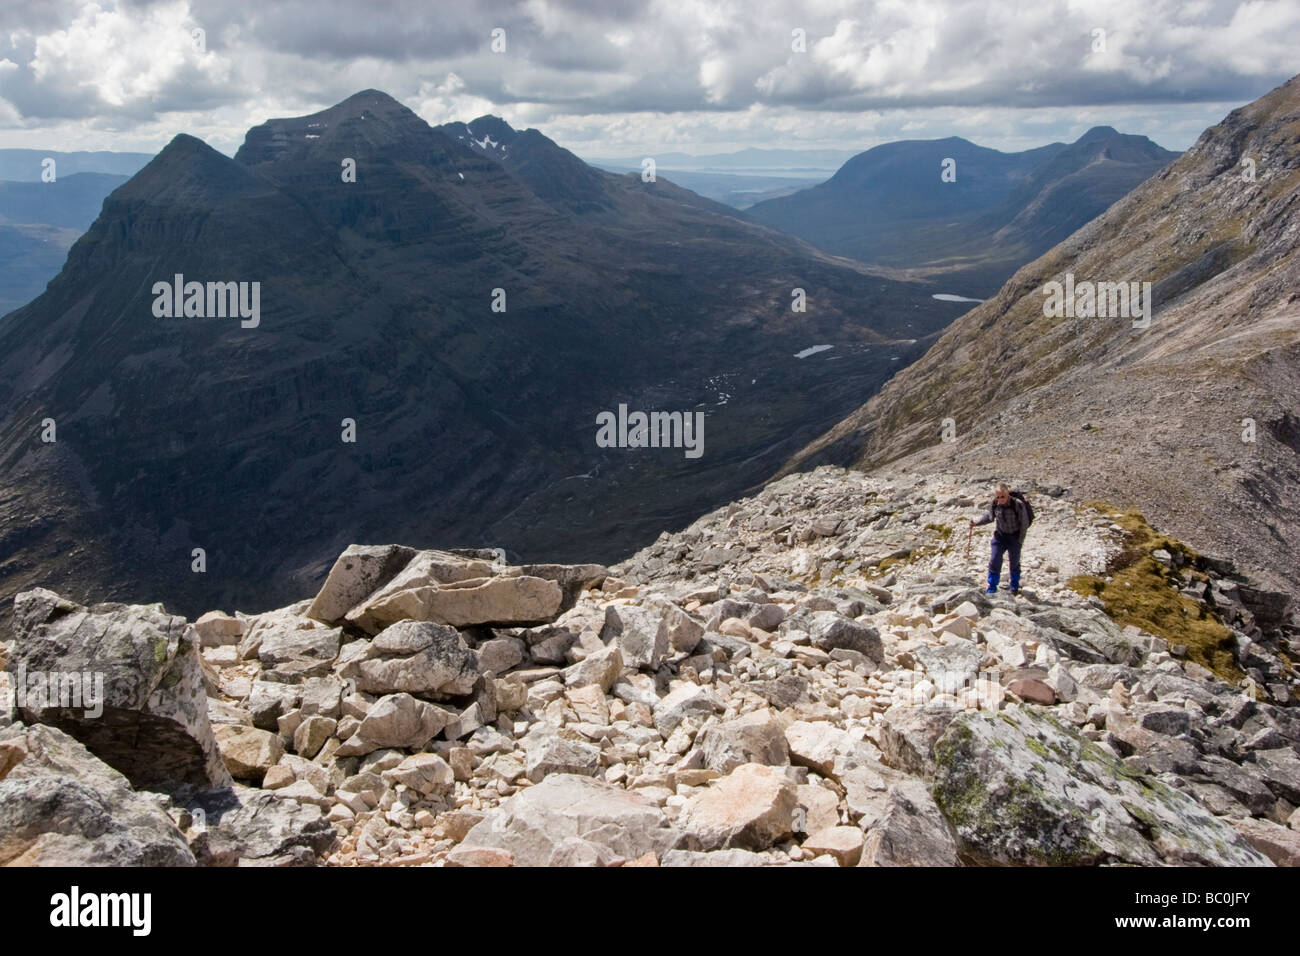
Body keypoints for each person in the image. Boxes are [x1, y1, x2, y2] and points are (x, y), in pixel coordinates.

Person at [970, 482, 1031, 595]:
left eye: (1002, 496)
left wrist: (1020, 541)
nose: (1000, 499)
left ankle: (1014, 586)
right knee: (994, 560)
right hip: (1000, 536)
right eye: (998, 497)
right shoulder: (995, 503)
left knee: (1014, 562)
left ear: (1007, 493)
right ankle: (992, 587)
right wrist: (976, 523)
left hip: (1014, 537)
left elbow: (1024, 523)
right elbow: (989, 517)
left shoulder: (1017, 504)